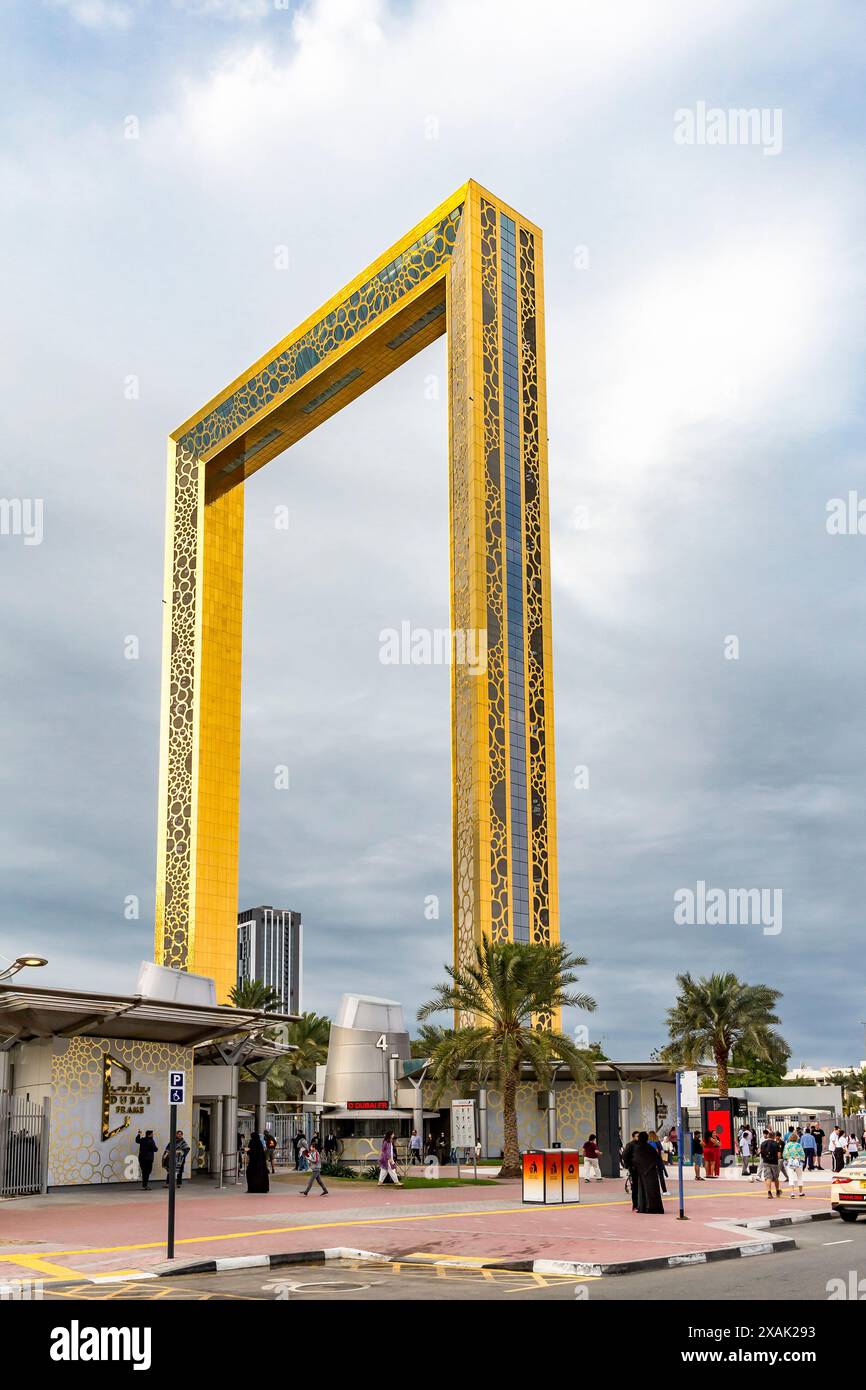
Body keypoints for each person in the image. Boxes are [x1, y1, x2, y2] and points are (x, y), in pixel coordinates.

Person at [632, 1132, 665, 1214]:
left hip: (642, 1172)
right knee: (653, 1191)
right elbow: (657, 1158)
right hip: (651, 1172)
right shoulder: (650, 1148)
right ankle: (654, 1208)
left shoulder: (638, 1148)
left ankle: (644, 1207)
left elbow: (635, 1160)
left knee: (643, 1191)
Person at [783, 1129, 806, 1198]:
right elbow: (802, 1154)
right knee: (799, 1177)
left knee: (791, 1177)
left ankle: (792, 1193)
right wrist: (802, 1160)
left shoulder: (787, 1145)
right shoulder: (798, 1145)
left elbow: (784, 1154)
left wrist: (787, 1159)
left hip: (790, 1162)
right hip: (798, 1162)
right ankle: (801, 1192)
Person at [759, 1130, 782, 1199]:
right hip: (774, 1162)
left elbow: (760, 1151)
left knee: (768, 1177)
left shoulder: (763, 1143)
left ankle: (769, 1192)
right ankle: (777, 1191)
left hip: (765, 1162)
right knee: (775, 1178)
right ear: (774, 1136)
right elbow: (779, 1155)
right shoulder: (776, 1144)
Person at [621, 1131, 640, 1210]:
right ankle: (635, 1205)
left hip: (641, 1169)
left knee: (640, 1187)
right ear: (633, 1137)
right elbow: (624, 1156)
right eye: (637, 1136)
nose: (638, 1138)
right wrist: (629, 1165)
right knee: (635, 1187)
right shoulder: (630, 1145)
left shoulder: (642, 1144)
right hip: (633, 1169)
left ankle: (641, 1204)